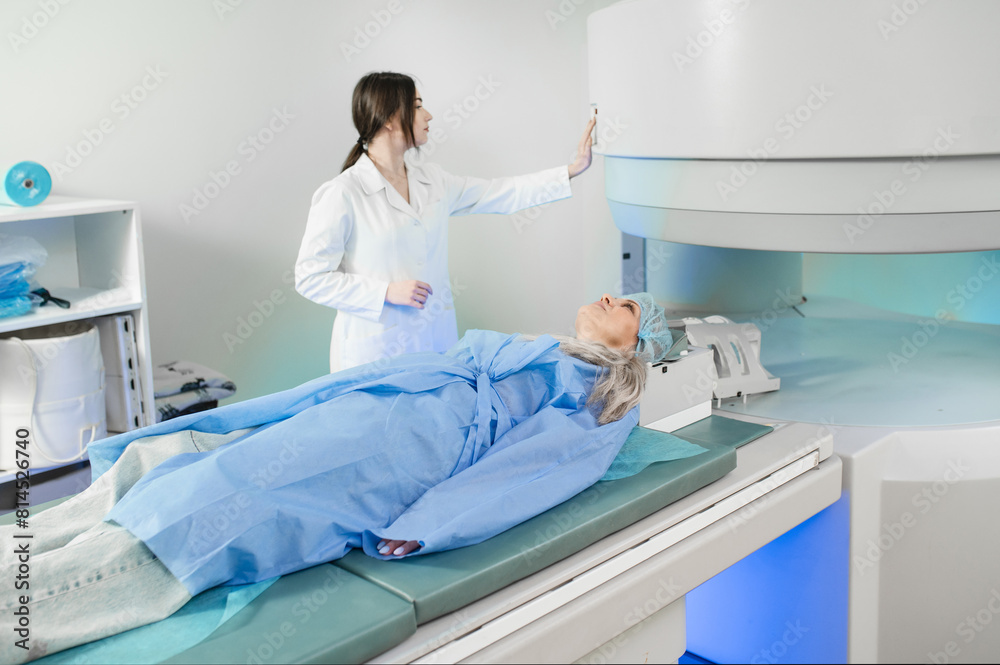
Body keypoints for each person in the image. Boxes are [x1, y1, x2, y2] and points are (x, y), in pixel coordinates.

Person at [1, 293, 676, 664]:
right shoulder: (552, 349)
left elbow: (530, 476)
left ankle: (24, 610)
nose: (609, 294)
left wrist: (426, 526)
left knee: (211, 507)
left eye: (629, 306)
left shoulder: (601, 400)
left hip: (397, 452)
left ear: (637, 345)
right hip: (372, 403)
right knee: (180, 454)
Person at [295, 71, 598, 372]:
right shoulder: (343, 193)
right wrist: (384, 292)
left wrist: (571, 170)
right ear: (389, 117)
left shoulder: (433, 181)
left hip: (434, 342)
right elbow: (311, 277)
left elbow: (501, 193)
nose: (428, 115)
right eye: (417, 106)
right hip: (375, 353)